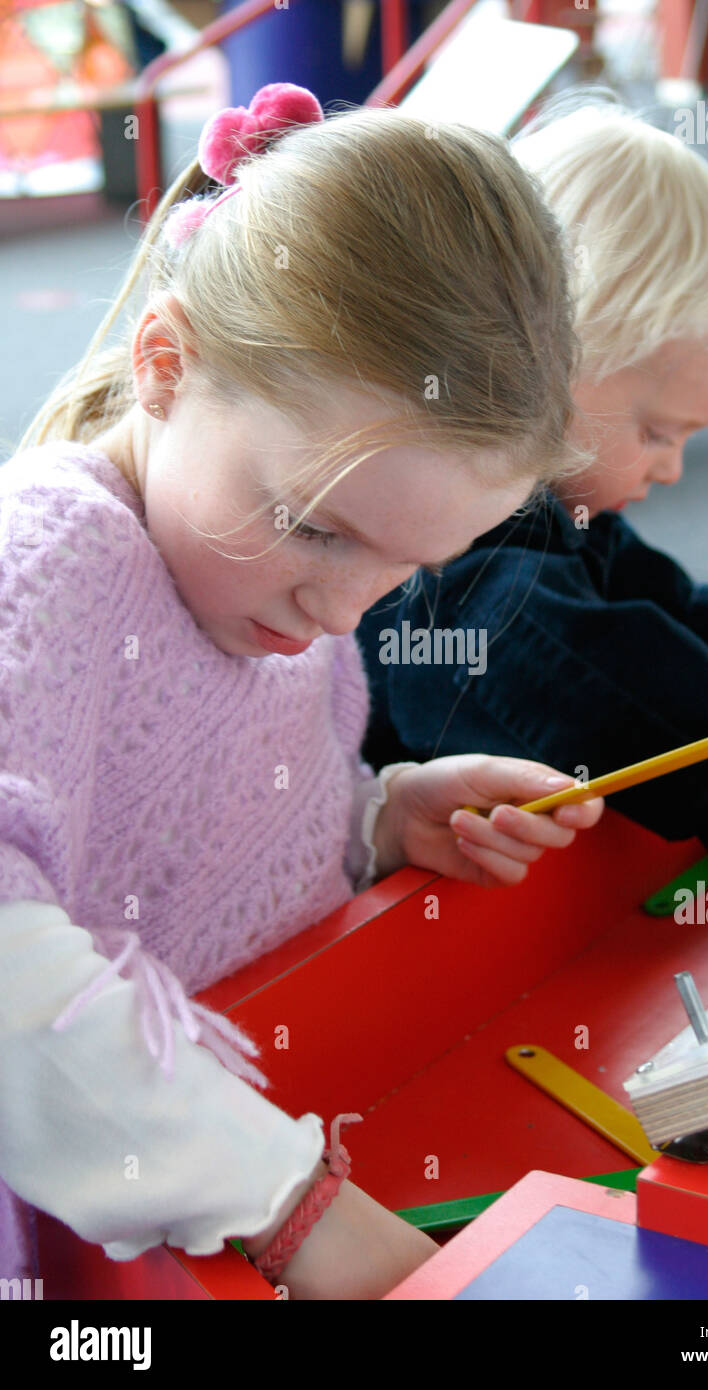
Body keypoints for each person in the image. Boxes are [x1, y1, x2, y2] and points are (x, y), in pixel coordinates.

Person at [0, 84, 605, 1300]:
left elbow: (174, 820)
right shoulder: (48, 570)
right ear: (165, 366)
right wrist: (293, 1208)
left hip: (256, 1149)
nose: (347, 610)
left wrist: (375, 817)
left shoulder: (262, 578)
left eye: (410, 564)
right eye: (317, 530)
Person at [357, 99, 708, 895]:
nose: (673, 469)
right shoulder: (457, 546)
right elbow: (605, 687)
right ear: (549, 364)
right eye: (661, 433)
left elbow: (638, 596)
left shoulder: (551, 509)